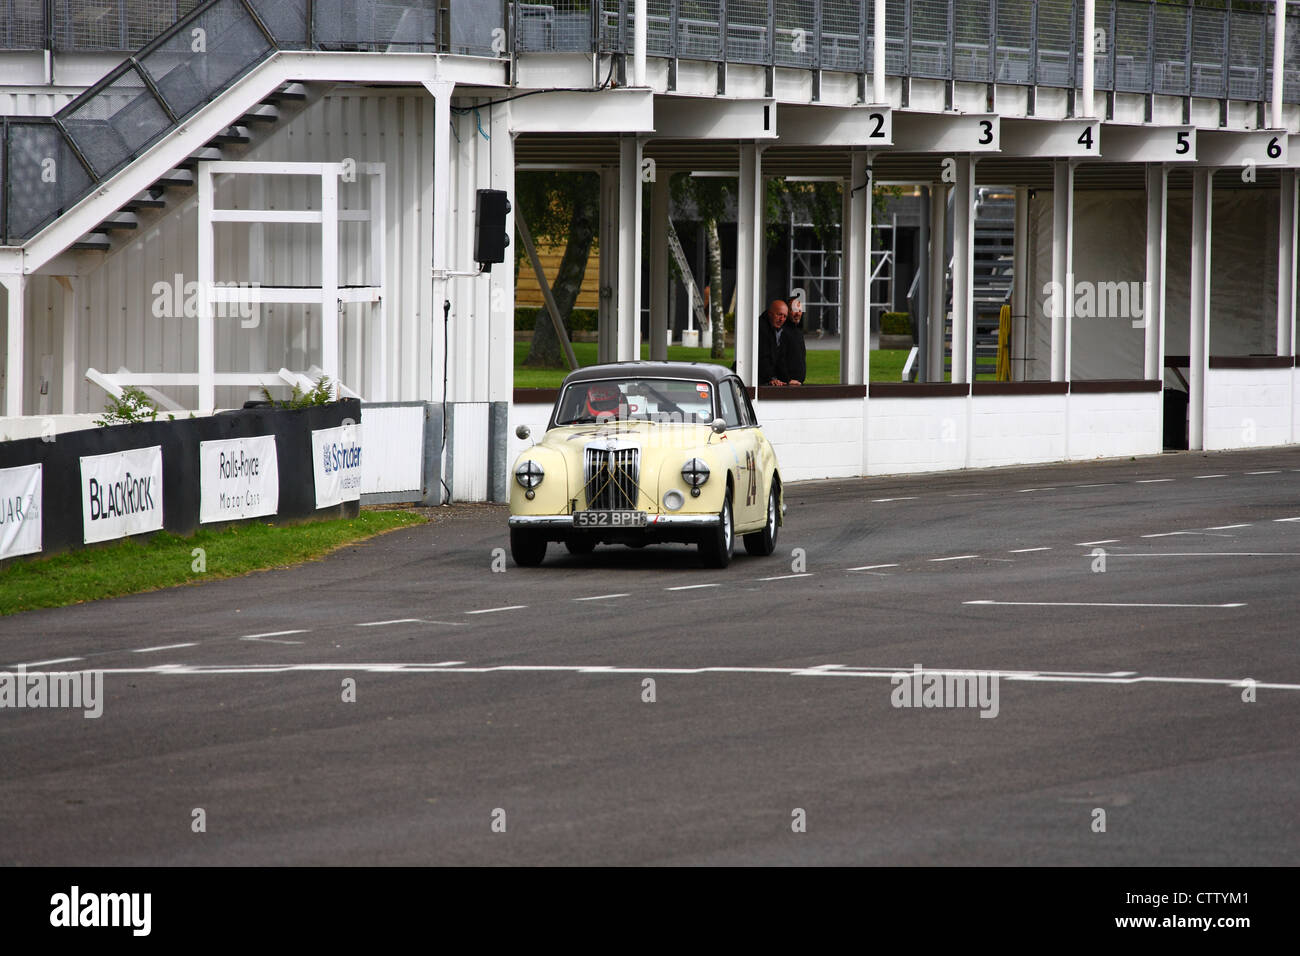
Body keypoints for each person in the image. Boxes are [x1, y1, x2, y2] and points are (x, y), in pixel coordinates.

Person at [757, 299, 793, 386]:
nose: (782, 319)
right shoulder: (761, 329)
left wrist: (787, 380)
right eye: (779, 314)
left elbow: (779, 358)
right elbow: (763, 357)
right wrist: (771, 378)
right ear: (770, 313)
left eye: (785, 316)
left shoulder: (774, 329)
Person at [785, 296, 807, 386]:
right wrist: (787, 379)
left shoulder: (798, 331)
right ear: (787, 311)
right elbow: (779, 359)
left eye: (800, 310)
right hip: (786, 385)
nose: (798, 313)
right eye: (794, 310)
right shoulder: (782, 331)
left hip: (797, 383)